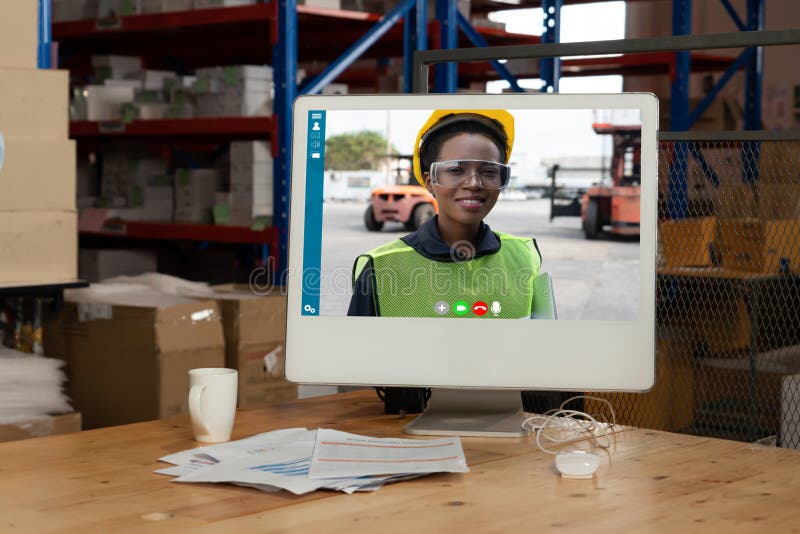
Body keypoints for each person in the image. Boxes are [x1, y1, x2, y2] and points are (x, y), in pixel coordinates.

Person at [348, 109, 542, 318]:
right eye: (456, 170)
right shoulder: (380, 267)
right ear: (430, 182)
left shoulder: (524, 256)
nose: (474, 183)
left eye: (489, 172)